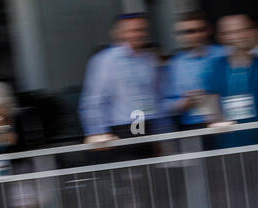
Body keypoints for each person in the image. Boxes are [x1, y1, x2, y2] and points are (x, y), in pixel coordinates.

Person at [79, 13, 166, 142]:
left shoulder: (150, 59)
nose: (138, 35)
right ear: (120, 33)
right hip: (122, 127)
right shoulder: (106, 60)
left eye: (142, 30)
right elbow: (94, 100)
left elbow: (157, 95)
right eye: (133, 31)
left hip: (149, 125)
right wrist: (97, 132)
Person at [209, 13, 258, 145]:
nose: (239, 36)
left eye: (243, 30)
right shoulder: (216, 67)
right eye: (231, 32)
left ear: (252, 31)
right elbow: (210, 99)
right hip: (228, 142)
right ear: (221, 37)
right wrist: (215, 120)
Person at [163, 10, 226, 128]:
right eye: (188, 32)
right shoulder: (175, 64)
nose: (195, 35)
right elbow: (164, 105)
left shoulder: (224, 53)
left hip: (225, 121)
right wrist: (184, 103)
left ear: (208, 30)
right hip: (193, 125)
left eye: (200, 30)